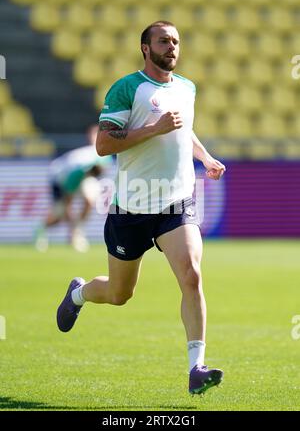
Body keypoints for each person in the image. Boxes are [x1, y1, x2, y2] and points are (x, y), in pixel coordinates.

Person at [56, 21, 226, 395]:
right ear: (145, 49)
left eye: (176, 41)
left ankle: (196, 368)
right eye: (164, 41)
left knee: (192, 275)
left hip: (176, 202)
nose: (172, 47)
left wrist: (206, 157)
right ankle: (79, 294)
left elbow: (184, 129)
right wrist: (154, 129)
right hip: (131, 207)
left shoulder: (186, 87)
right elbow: (104, 144)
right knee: (120, 294)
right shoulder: (126, 88)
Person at [34, 125, 113, 252]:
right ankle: (41, 229)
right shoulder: (79, 170)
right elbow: (69, 200)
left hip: (81, 175)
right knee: (60, 213)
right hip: (59, 177)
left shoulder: (102, 156)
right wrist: (71, 224)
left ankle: (78, 232)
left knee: (90, 200)